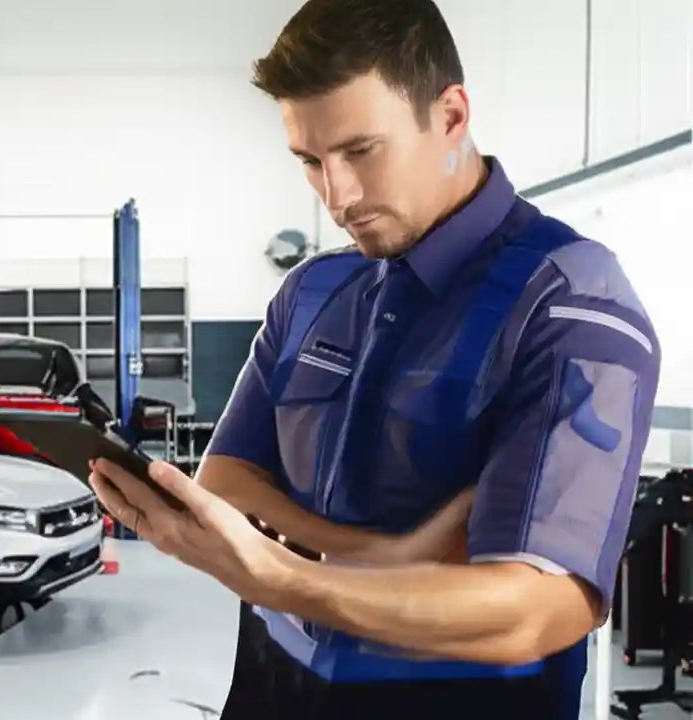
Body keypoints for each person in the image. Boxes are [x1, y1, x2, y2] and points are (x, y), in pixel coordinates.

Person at [86, 0, 662, 718]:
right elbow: (228, 480)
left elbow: (537, 609)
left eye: (361, 151)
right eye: (310, 162)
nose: (338, 196)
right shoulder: (313, 290)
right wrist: (377, 555)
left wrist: (286, 575)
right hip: (274, 685)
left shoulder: (569, 299)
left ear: (451, 116)